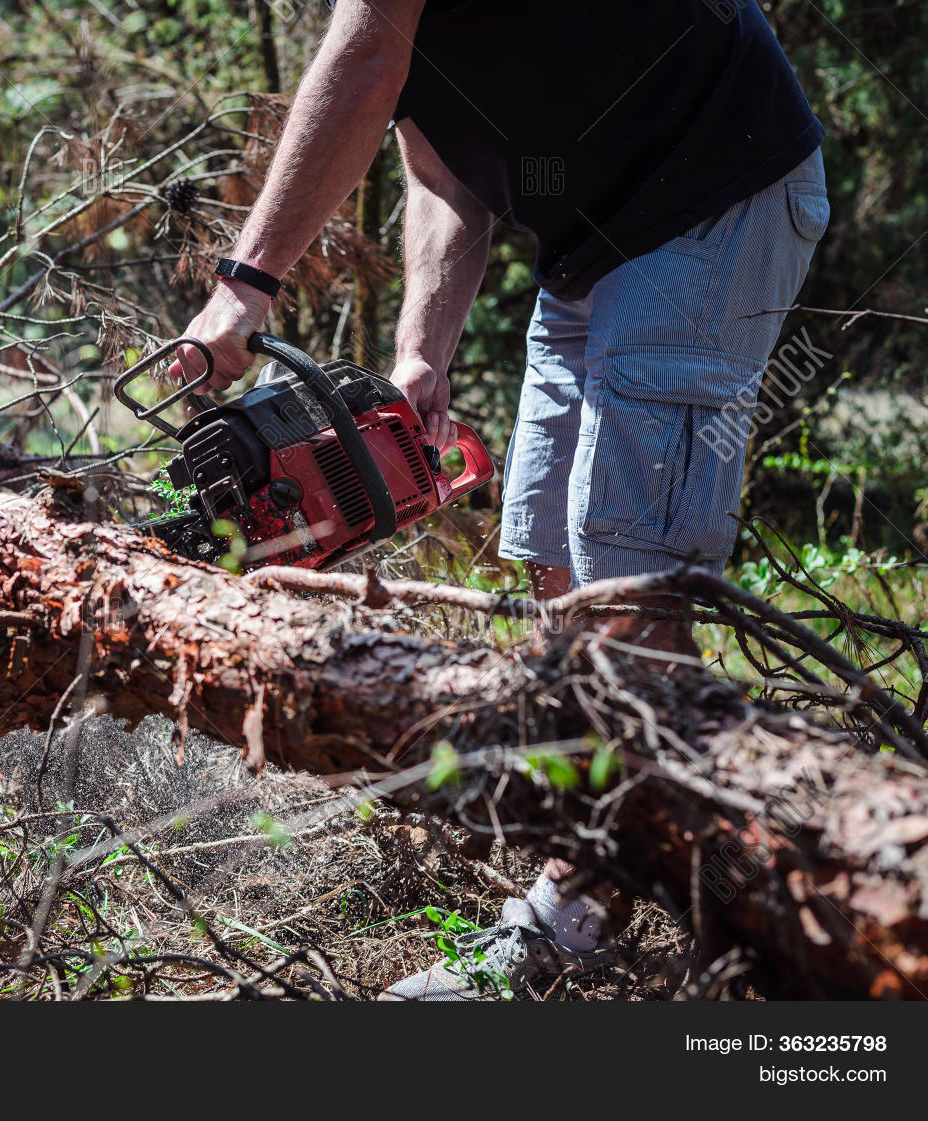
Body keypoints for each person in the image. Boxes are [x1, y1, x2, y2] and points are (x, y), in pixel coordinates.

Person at [171, 0, 828, 998]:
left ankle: (701, 903)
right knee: (551, 553)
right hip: (594, 242)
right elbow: (442, 181)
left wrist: (246, 283)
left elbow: (369, 54)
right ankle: (615, 855)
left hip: (715, 191)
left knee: (628, 565)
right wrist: (419, 355)